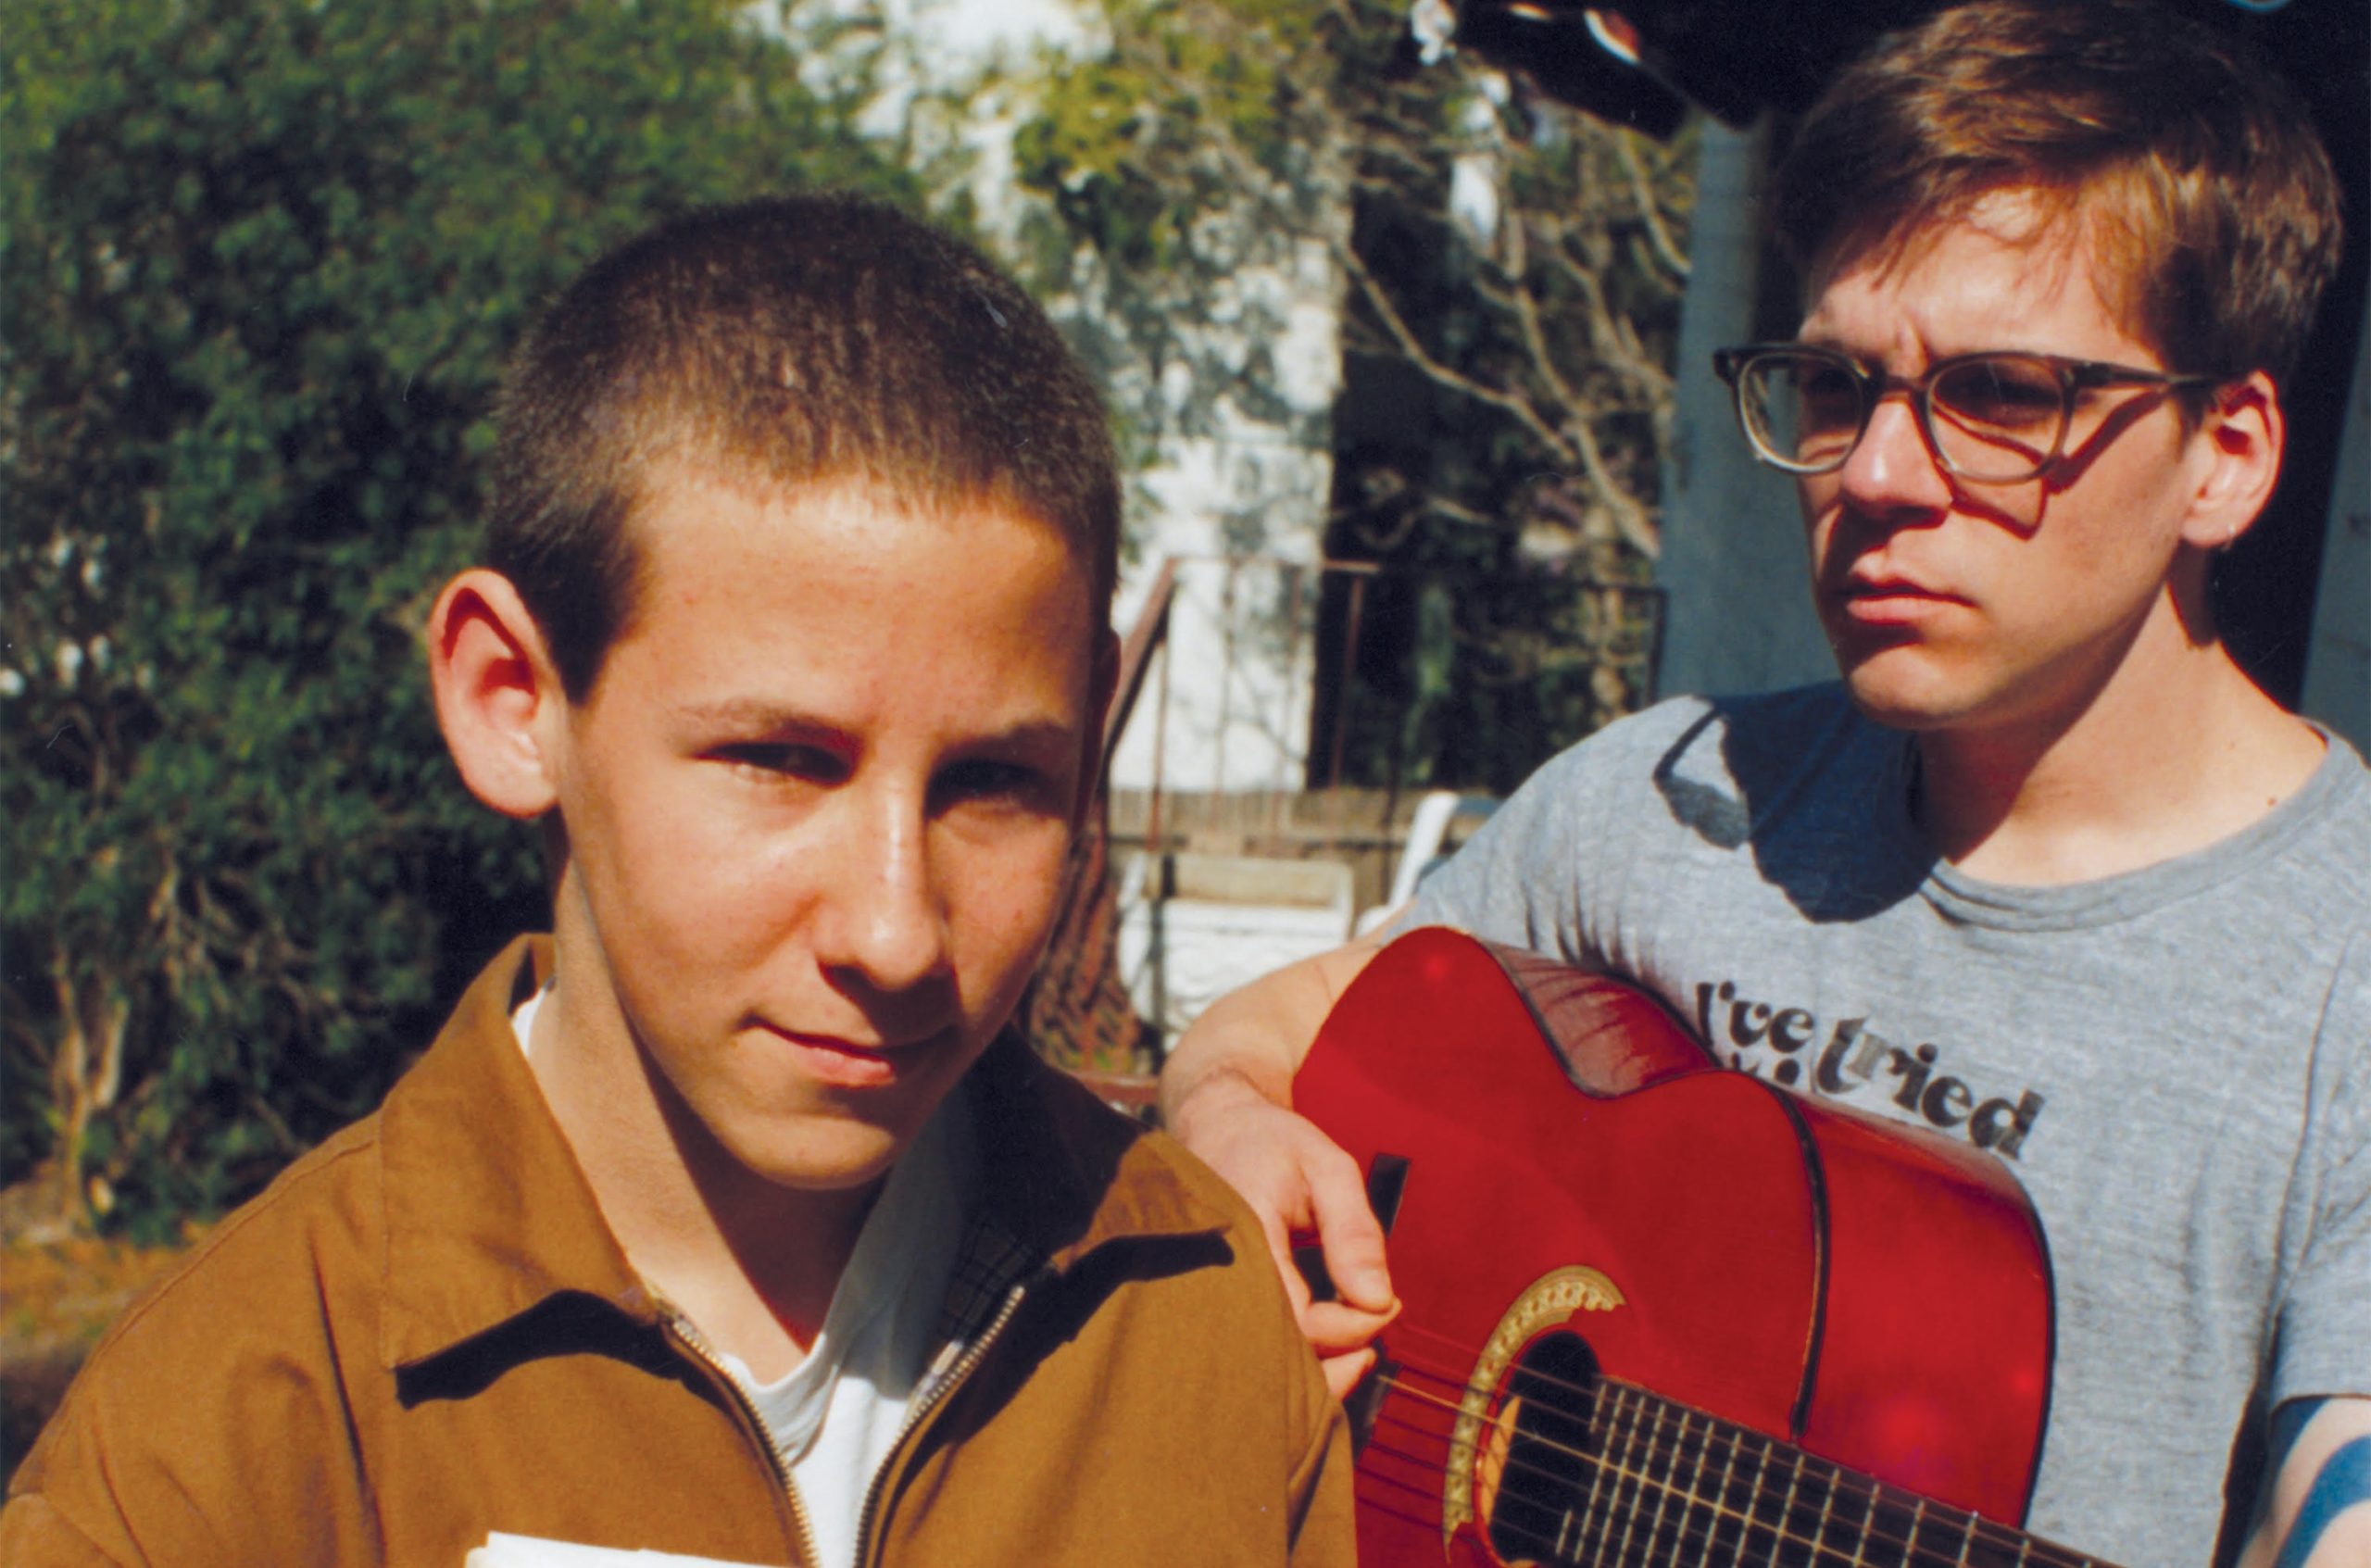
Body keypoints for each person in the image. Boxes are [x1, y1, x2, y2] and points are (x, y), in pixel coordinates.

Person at [1158, 3, 2367, 1564]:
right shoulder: (1658, 797)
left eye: (2001, 395)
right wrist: (1229, 1116)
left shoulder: (2341, 980)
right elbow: (1274, 1035)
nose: (1872, 474)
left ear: (2231, 453)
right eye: (1836, 383)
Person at [4, 195, 1351, 1567]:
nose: (895, 930)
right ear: (513, 697)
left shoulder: (1200, 1319)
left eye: (994, 783)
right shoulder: (245, 1434)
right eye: (779, 759)